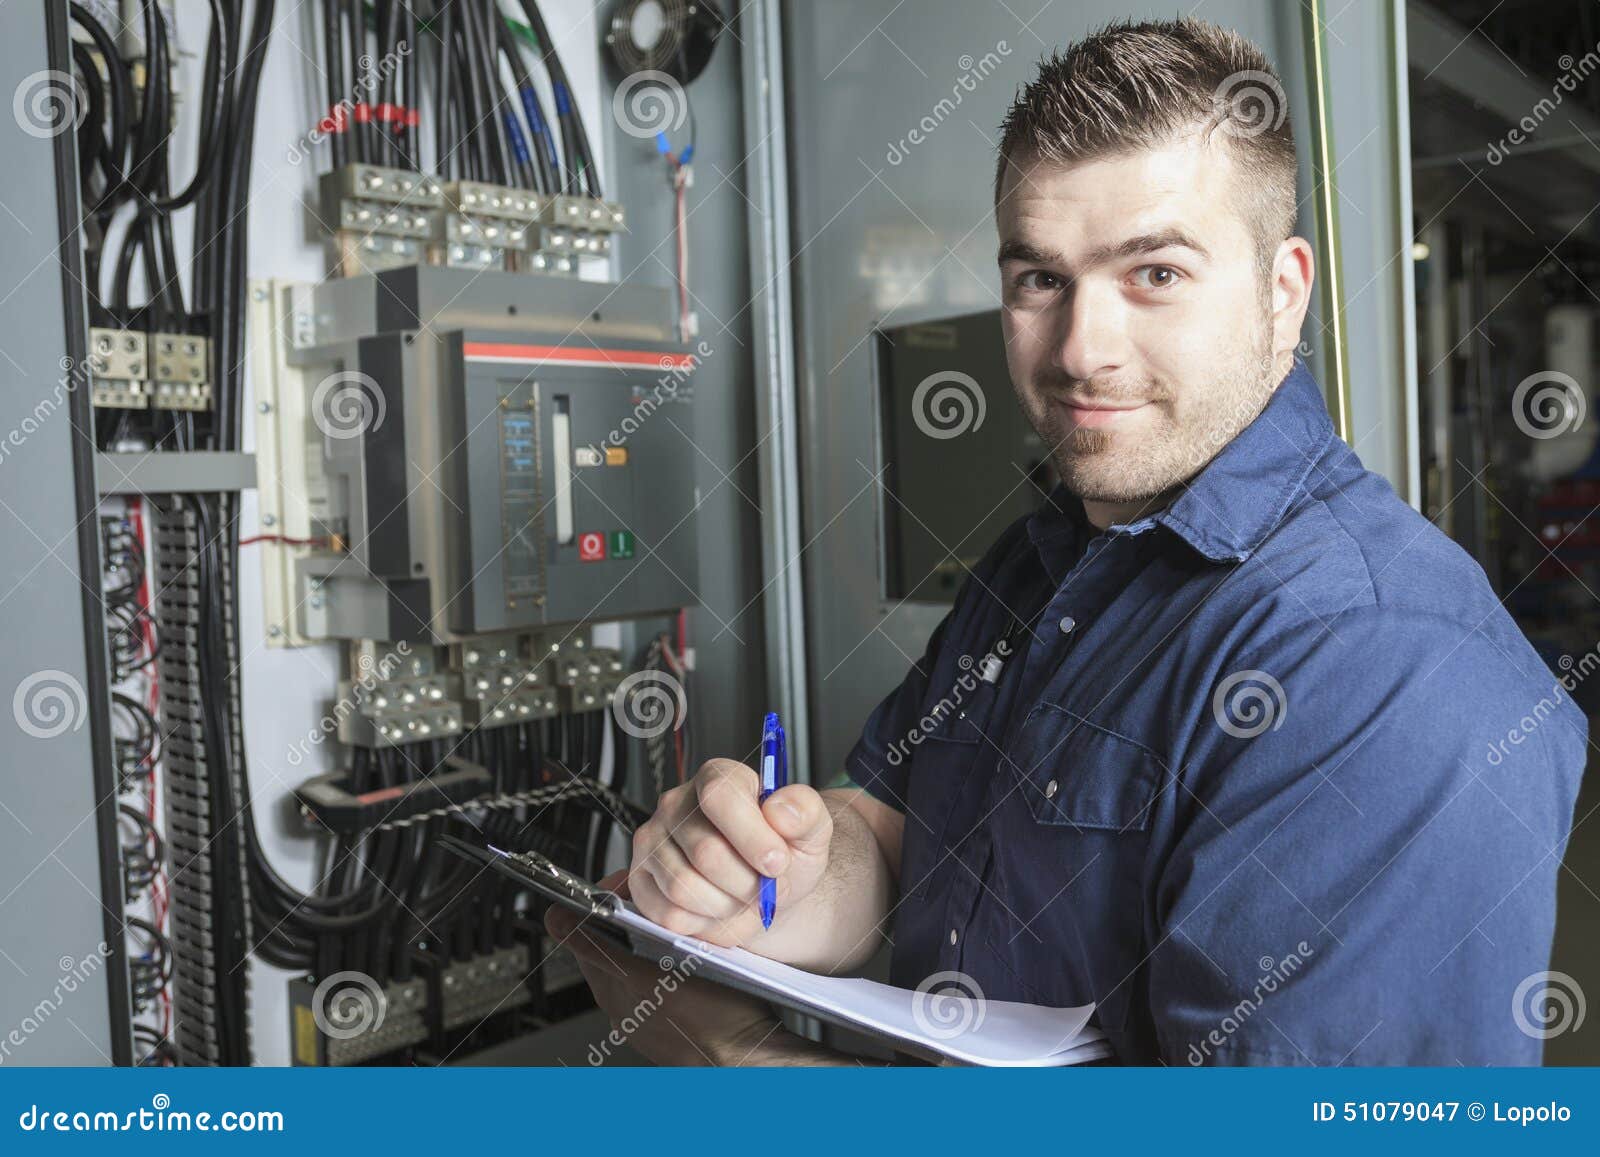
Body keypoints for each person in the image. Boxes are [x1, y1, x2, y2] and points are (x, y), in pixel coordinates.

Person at [547, 16, 1587, 1066]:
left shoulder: (1381, 658)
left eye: (1155, 274)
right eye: (1040, 279)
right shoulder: (1046, 558)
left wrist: (743, 1064)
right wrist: (775, 878)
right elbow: (903, 841)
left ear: (1283, 292)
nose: (1082, 350)